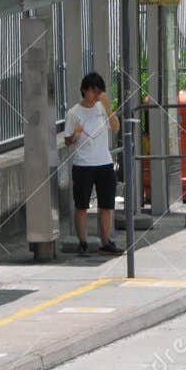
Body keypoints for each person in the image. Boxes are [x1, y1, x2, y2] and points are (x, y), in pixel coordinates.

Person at [65, 71, 122, 256]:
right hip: (83, 164)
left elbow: (115, 128)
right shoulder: (74, 113)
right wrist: (76, 135)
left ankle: (106, 241)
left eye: (99, 92)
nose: (96, 95)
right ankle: (83, 242)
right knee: (82, 205)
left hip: (104, 162)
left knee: (107, 204)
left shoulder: (102, 108)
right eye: (93, 91)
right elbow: (67, 140)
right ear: (84, 90)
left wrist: (107, 106)